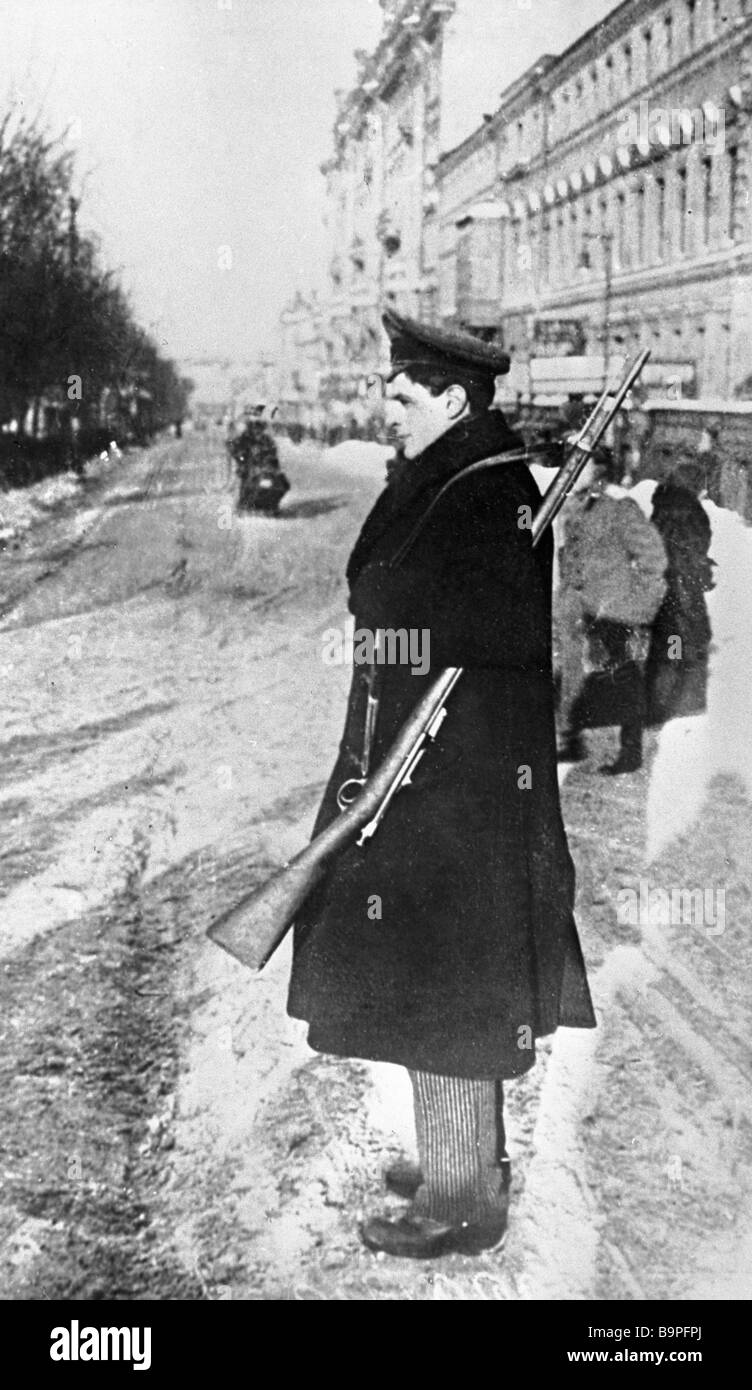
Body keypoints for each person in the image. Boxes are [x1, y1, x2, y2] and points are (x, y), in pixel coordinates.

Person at [287, 309, 596, 1259]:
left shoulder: (478, 493)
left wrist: (391, 631)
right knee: (431, 977)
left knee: (450, 985)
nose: (387, 407)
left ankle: (463, 1198)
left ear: (453, 399)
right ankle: (460, 1159)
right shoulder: (456, 480)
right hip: (425, 763)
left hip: (452, 781)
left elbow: (469, 638)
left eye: (404, 394)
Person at [554, 456, 668, 773]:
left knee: (624, 678)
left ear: (599, 472)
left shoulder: (620, 508)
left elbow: (654, 560)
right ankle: (571, 739)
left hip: (611, 612)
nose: (569, 469)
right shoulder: (568, 505)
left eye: (580, 465)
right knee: (571, 673)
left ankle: (630, 753)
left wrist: (631, 604)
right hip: (576, 608)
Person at [645, 457, 715, 725]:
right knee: (677, 642)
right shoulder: (687, 509)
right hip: (681, 589)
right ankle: (669, 706)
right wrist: (702, 569)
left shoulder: (663, 506)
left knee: (668, 644)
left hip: (664, 586)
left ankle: (661, 702)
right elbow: (686, 552)